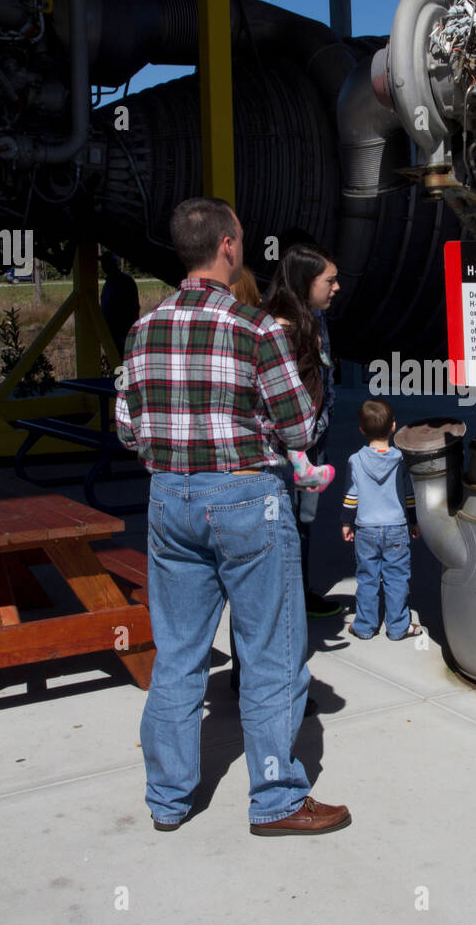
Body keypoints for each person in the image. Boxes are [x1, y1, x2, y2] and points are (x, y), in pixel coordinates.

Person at [115, 197, 351, 837]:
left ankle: (168, 798)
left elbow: (126, 427)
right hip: (247, 497)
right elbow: (299, 426)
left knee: (179, 654)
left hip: (170, 497)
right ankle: (276, 798)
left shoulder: (142, 329)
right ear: (226, 245)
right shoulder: (257, 330)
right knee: (270, 652)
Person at [264, 244, 341, 616]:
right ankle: (285, 603)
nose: (336, 287)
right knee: (285, 524)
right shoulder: (281, 328)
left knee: (303, 520)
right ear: (306, 282)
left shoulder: (310, 316)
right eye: (330, 280)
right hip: (290, 446)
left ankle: (298, 594)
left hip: (313, 437)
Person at [231, 263, 333, 494]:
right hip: (266, 446)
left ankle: (303, 470)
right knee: (288, 417)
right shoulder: (262, 335)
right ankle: (303, 470)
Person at [342, 398, 422, 641]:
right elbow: (408, 495)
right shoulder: (400, 460)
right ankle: (398, 627)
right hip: (396, 528)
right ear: (393, 426)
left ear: (362, 430)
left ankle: (365, 626)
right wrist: (413, 520)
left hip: (366, 529)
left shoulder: (355, 460)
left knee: (367, 578)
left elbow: (351, 496)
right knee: (397, 578)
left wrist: (347, 522)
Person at [100, 250, 140, 359]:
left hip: (123, 335)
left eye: (107, 263)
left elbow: (134, 309)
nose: (104, 266)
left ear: (114, 264)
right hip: (111, 335)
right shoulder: (108, 284)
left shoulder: (125, 282)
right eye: (103, 263)